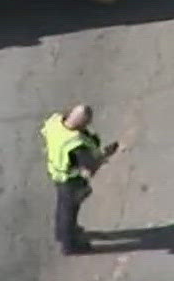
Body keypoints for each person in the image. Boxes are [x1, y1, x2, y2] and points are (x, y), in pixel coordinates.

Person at [41, 105, 117, 254]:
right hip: (70, 181)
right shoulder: (76, 145)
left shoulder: (55, 122)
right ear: (82, 124)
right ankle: (70, 246)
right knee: (69, 212)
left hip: (56, 171)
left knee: (62, 208)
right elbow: (89, 170)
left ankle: (61, 233)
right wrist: (105, 156)